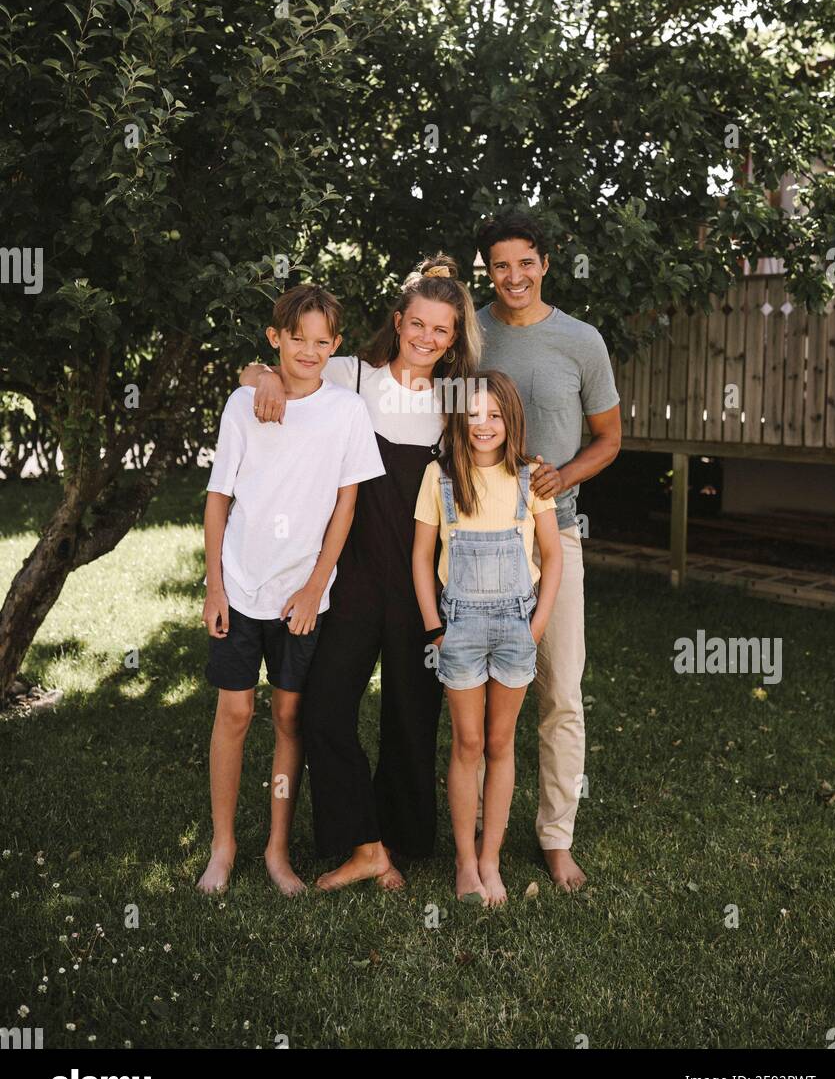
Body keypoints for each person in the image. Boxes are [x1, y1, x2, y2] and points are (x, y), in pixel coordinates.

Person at [240, 255, 481, 890]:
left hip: (424, 586)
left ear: (455, 340)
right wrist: (261, 373)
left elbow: (498, 451)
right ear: (398, 322)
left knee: (411, 718)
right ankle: (363, 842)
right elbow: (289, 369)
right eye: (418, 324)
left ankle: (399, 843)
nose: (428, 338)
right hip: (350, 580)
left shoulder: (458, 402)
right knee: (322, 711)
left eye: (443, 331)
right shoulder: (353, 376)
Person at [198, 284, 385, 896]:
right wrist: (214, 586)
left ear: (336, 347)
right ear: (275, 338)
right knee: (235, 711)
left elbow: (345, 505)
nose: (308, 350)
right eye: (296, 338)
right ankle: (223, 845)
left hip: (300, 598)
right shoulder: (243, 403)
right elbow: (219, 498)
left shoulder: (345, 411)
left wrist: (314, 588)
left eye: (321, 341)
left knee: (287, 716)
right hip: (242, 585)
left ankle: (277, 849)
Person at [475, 214, 622, 891]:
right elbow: (397, 373)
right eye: (500, 266)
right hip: (478, 538)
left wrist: (568, 474)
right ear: (489, 271)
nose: (514, 277)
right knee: (475, 698)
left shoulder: (581, 342)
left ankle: (556, 838)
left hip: (555, 534)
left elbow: (609, 438)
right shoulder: (470, 334)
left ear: (545, 264)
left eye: (525, 263)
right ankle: (480, 843)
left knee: (560, 690)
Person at [413, 371, 562, 906]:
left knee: (501, 744)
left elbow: (553, 555)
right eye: (473, 415)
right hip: (459, 631)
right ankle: (463, 861)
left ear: (511, 420)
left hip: (515, 629)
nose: (483, 425)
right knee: (468, 744)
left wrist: (537, 625)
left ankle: (491, 859)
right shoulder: (441, 477)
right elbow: (421, 558)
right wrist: (434, 628)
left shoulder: (529, 477)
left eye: (495, 415)